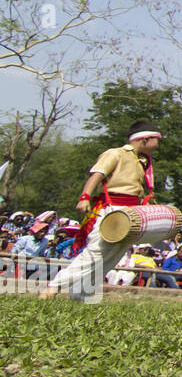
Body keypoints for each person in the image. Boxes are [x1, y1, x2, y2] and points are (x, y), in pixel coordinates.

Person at [41, 119, 162, 301]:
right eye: (156, 140)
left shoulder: (142, 161)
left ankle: (80, 296)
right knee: (96, 252)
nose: (157, 145)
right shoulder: (115, 154)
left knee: (112, 258)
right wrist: (85, 197)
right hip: (113, 209)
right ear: (145, 139)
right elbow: (97, 174)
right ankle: (52, 288)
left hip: (131, 212)